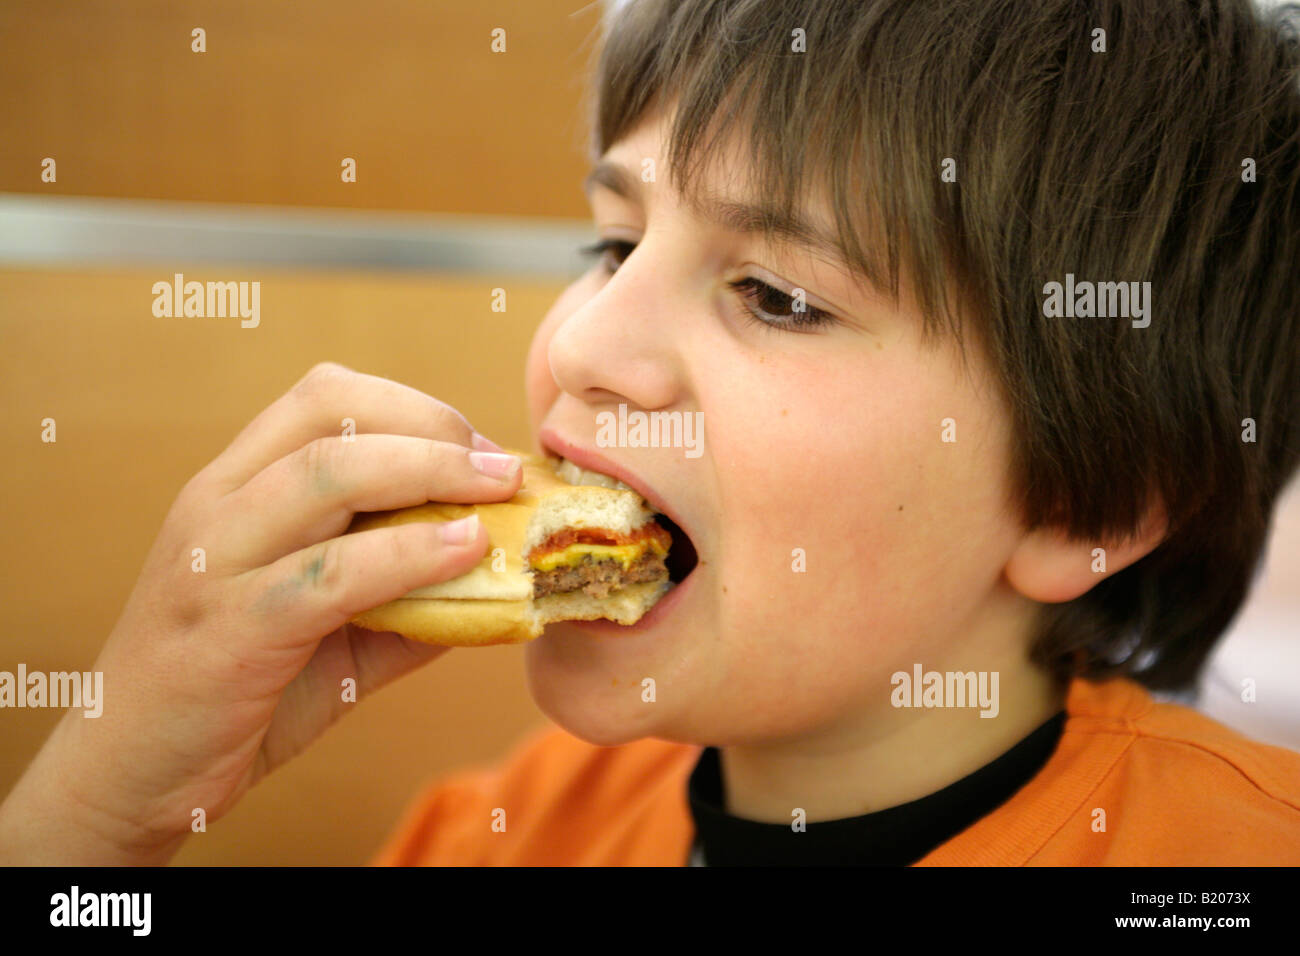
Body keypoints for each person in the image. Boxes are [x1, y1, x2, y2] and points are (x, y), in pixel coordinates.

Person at [3, 0, 1299, 866]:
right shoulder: (499, 842)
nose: (582, 348)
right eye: (613, 243)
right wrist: (101, 816)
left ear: (1092, 500)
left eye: (779, 296)